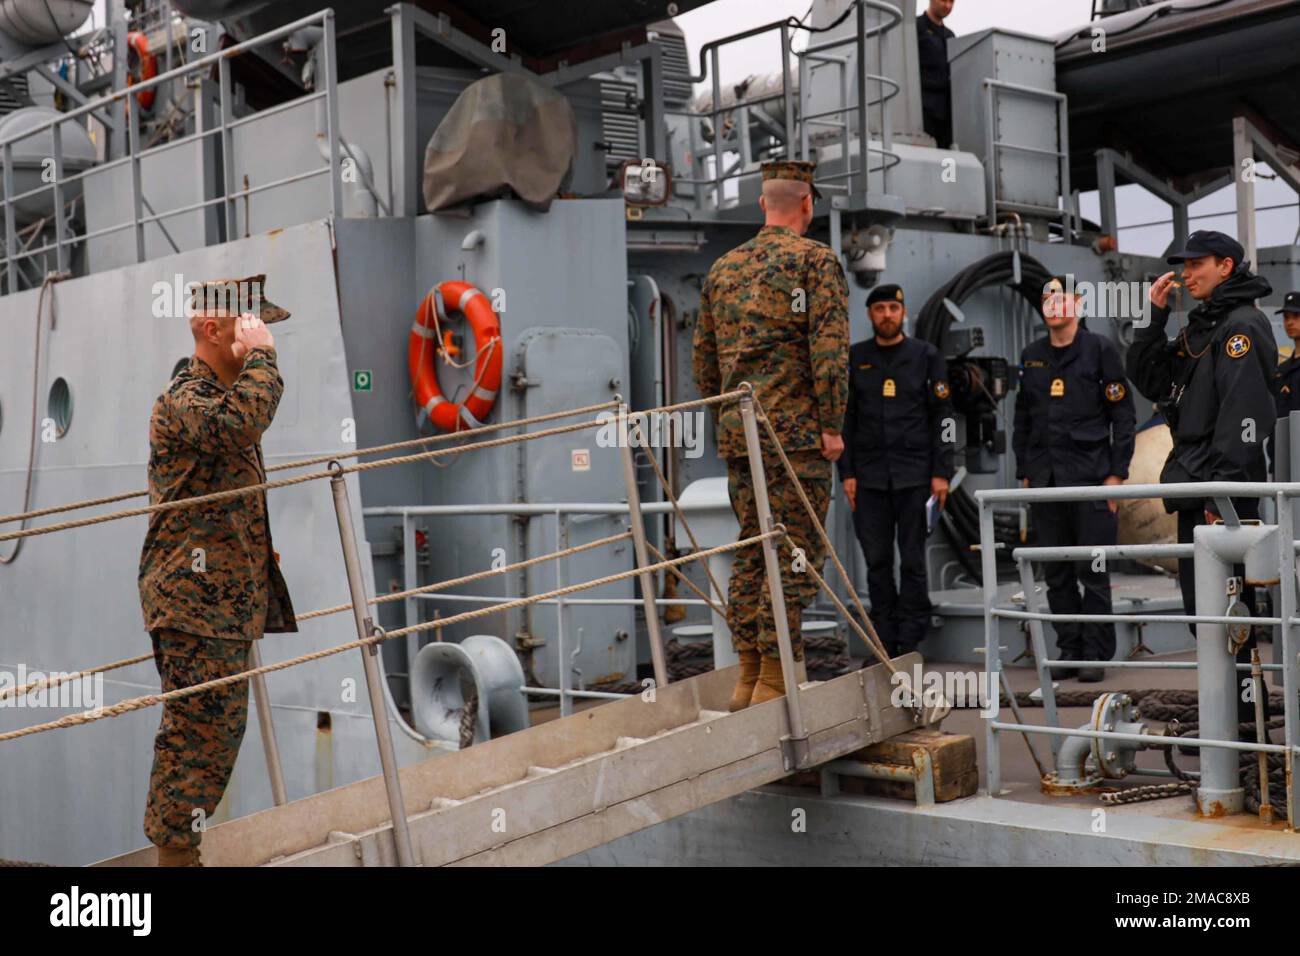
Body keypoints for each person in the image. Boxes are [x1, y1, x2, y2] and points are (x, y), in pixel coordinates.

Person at [138, 276, 297, 866]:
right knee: (195, 737)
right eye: (248, 325)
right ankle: (177, 861)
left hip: (221, 605)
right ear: (213, 330)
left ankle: (181, 852)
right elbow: (240, 426)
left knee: (218, 733)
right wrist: (262, 359)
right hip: (191, 603)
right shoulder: (185, 400)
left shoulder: (222, 399)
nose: (261, 334)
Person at [693, 160, 849, 711]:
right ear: (808, 203)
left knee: (753, 551)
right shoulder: (816, 262)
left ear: (764, 204)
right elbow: (828, 353)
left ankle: (749, 677)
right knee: (795, 552)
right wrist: (832, 425)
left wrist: (725, 424)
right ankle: (777, 681)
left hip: (741, 437)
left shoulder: (723, 269)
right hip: (796, 438)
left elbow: (705, 364)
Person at [1126, 231, 1275, 719]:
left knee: (1233, 619)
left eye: (1197, 265)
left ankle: (1243, 734)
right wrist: (1153, 318)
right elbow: (1150, 379)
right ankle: (1224, 727)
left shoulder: (1240, 328)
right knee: (1206, 618)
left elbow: (1243, 416)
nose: (1186, 274)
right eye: (1183, 266)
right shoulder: (1202, 327)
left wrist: (1222, 495)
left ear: (1226, 266)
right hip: (1199, 488)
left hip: (1222, 495)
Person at [1014, 276, 1135, 682]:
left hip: (1091, 480)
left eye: (1061, 298)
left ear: (1078, 304)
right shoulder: (1032, 356)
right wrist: (1025, 473)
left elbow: (1123, 415)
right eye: (1048, 299)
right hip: (1047, 482)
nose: (1054, 305)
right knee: (1058, 573)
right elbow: (1022, 419)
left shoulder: (1100, 350)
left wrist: (1117, 474)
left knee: (1093, 570)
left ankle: (1095, 655)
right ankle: (1068, 650)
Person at [838, 283, 953, 658]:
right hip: (869, 479)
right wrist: (847, 473)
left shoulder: (926, 356)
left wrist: (942, 472)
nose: (887, 315)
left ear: (903, 313)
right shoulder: (856, 358)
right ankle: (883, 639)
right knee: (877, 561)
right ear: (870, 315)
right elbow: (846, 419)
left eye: (893, 308)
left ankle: (911, 638)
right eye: (879, 309)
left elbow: (943, 418)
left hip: (916, 476)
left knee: (914, 559)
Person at [916, 0, 956, 149]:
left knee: (947, 159)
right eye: (943, 0)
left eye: (951, 2)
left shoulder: (950, 36)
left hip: (946, 111)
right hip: (923, 107)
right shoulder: (916, 27)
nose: (947, 6)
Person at [1272, 291, 1300, 419]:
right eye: (1286, 317)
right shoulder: (1282, 370)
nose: (1289, 322)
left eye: (1296, 316)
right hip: (1285, 437)